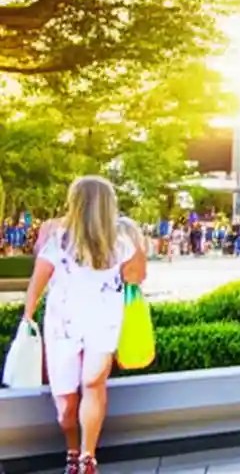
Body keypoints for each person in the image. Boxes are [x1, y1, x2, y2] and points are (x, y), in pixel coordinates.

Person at [22, 177, 147, 474]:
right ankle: (76, 452)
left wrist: (27, 318)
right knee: (68, 396)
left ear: (74, 202)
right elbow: (137, 278)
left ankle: (84, 457)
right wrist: (28, 318)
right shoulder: (62, 239)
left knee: (89, 387)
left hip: (98, 325)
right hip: (65, 327)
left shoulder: (120, 241)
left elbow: (36, 285)